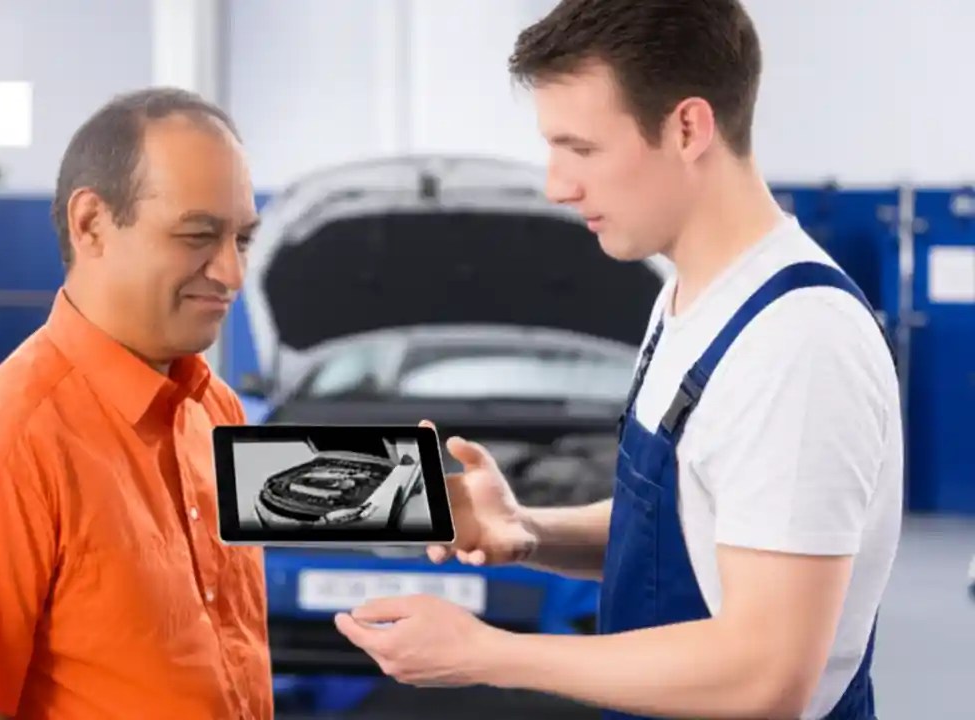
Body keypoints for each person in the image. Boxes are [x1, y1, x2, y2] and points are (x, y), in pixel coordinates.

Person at [334, 2, 902, 719]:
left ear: (688, 127)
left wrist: (486, 653)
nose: (557, 186)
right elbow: (696, 533)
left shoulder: (797, 343)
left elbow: (765, 675)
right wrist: (529, 531)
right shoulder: (690, 303)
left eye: (582, 149)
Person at [0, 87, 272, 720]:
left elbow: (316, 496)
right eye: (199, 235)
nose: (231, 273)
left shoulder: (212, 409)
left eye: (243, 239)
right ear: (91, 223)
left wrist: (445, 504)